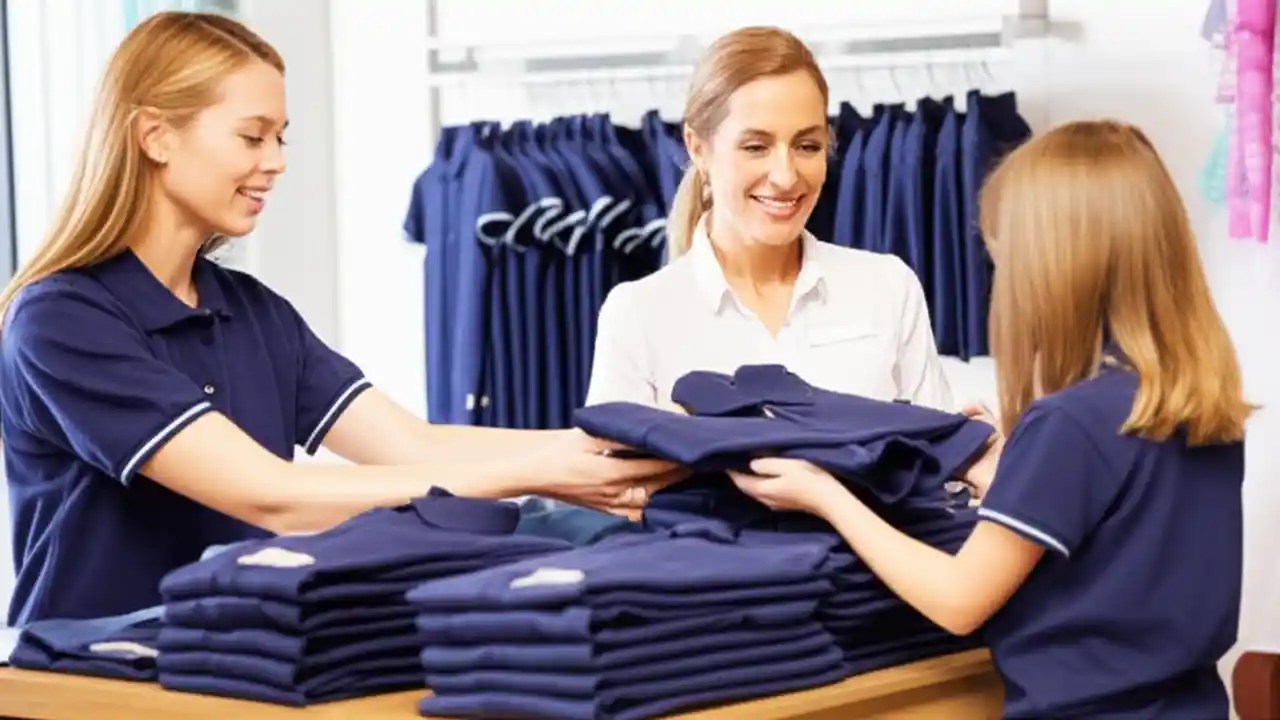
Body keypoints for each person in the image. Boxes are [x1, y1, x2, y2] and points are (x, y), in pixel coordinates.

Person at [0, 12, 674, 627]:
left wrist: (592, 451)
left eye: (281, 138)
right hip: (87, 681)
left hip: (228, 667)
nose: (277, 162)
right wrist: (541, 471)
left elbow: (417, 447)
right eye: (252, 136)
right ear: (155, 136)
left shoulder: (252, 311)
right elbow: (273, 497)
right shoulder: (63, 320)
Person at [729, 120, 1251, 718]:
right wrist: (1011, 483)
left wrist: (826, 497)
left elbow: (958, 601)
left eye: (1005, 264)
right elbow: (1125, 558)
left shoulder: (1069, 425)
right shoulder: (1196, 405)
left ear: (1051, 270)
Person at [585, 26, 955, 412]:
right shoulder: (638, 315)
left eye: (807, 146)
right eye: (756, 147)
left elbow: (943, 464)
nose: (786, 175)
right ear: (698, 148)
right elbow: (612, 470)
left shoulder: (888, 289)